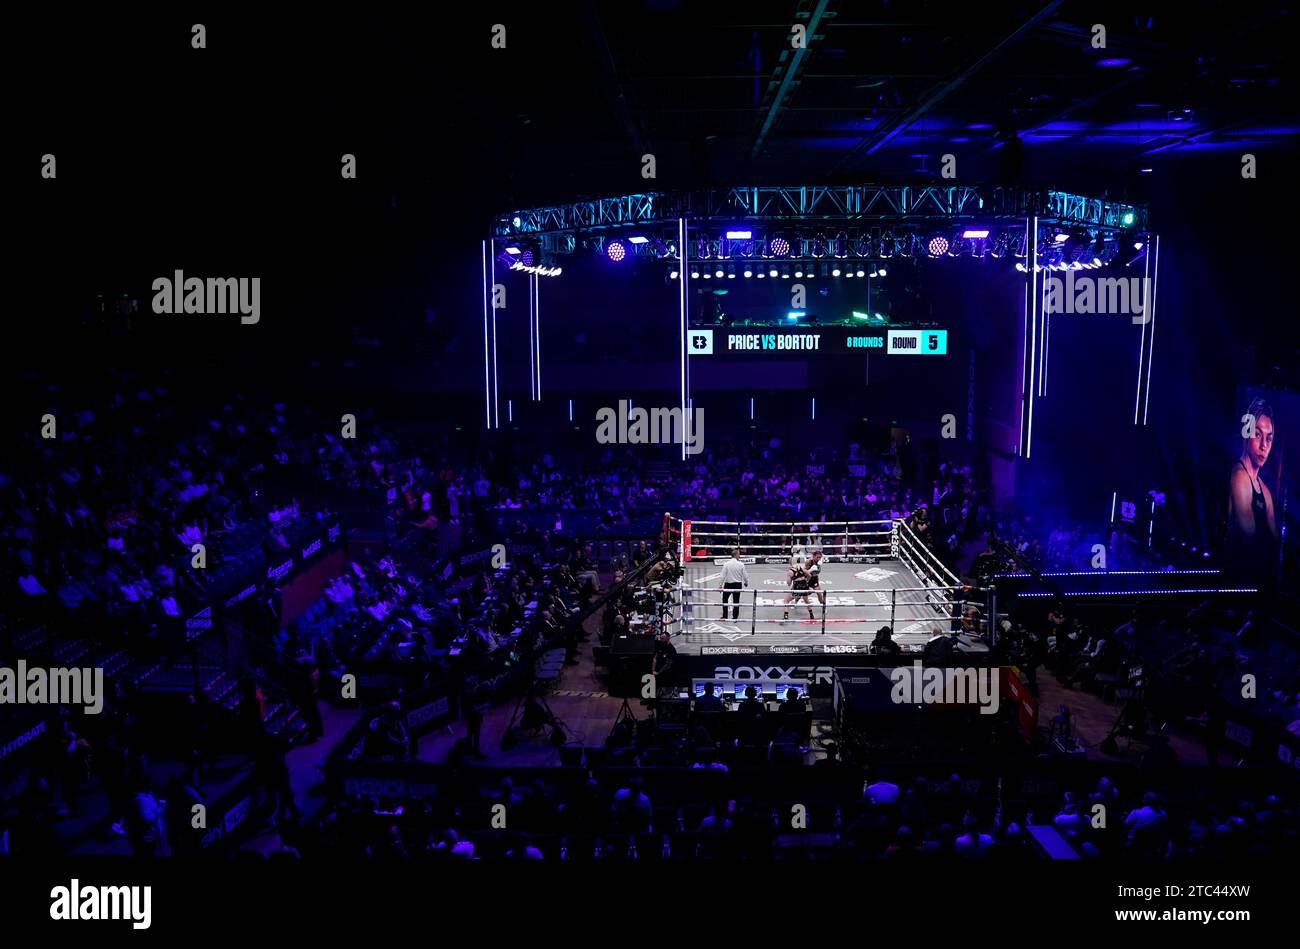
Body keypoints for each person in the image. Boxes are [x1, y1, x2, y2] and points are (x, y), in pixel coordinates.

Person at [1227, 396, 1279, 586]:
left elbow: (1276, 543)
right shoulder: (1239, 477)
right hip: (1237, 581)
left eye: (1269, 438)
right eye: (1258, 434)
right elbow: (1248, 538)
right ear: (1246, 434)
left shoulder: (1265, 491)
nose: (1264, 445)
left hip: (1256, 581)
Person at [719, 548, 749, 621]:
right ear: (736, 555)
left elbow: (722, 575)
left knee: (725, 599)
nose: (739, 556)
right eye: (739, 554)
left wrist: (720, 585)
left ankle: (725, 615)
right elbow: (745, 575)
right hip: (737, 584)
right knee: (736, 600)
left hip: (728, 584)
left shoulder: (726, 564)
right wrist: (746, 582)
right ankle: (735, 617)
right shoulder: (741, 564)